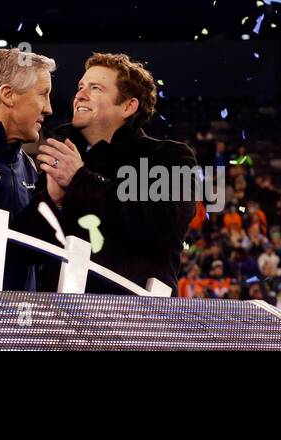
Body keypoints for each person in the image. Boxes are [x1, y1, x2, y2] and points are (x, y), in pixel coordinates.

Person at [15, 52, 197, 294]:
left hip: (136, 320)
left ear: (128, 106)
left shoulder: (169, 156)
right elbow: (22, 250)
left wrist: (80, 180)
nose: (80, 94)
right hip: (60, 318)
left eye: (96, 88)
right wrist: (53, 201)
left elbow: (160, 223)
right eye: (81, 86)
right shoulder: (64, 157)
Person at [0, 47, 56, 291]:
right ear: (8, 94)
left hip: (19, 319)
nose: (49, 108)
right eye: (43, 94)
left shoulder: (28, 166)